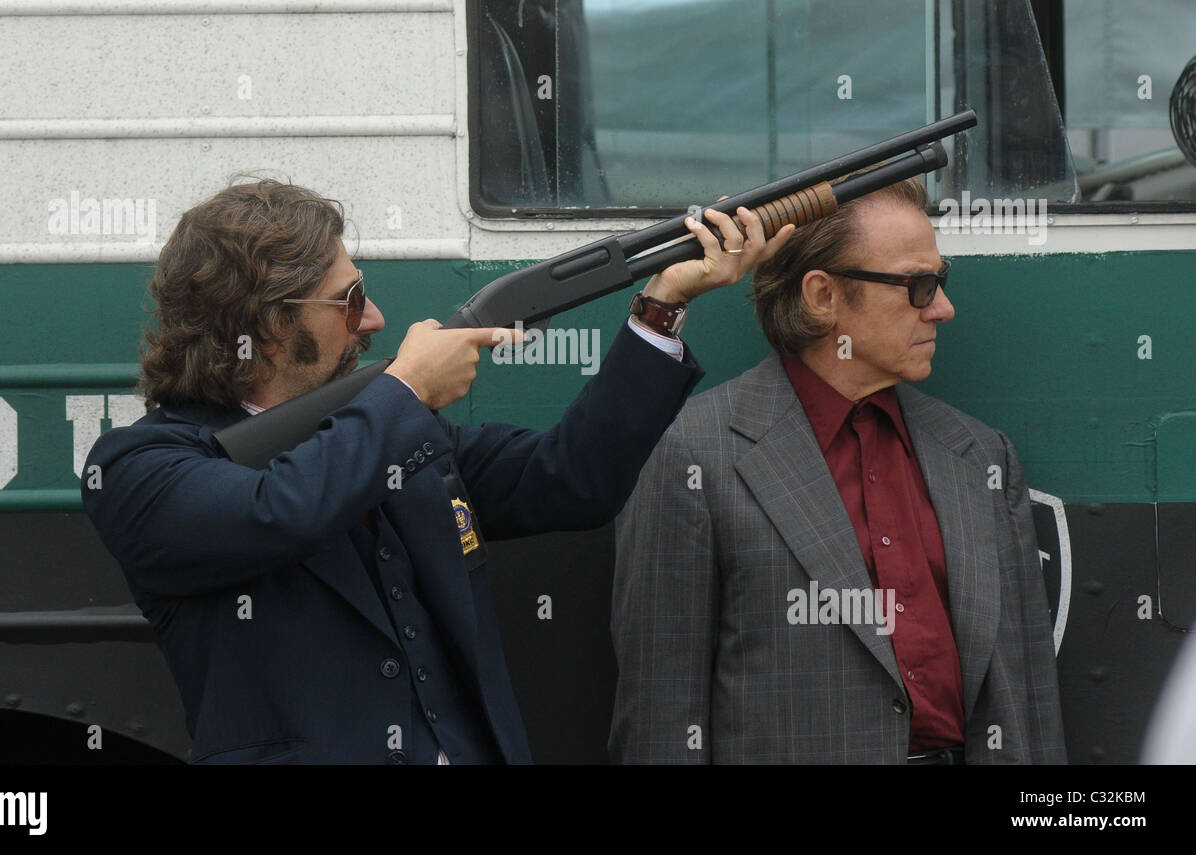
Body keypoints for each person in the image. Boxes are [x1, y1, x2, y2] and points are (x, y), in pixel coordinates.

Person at [81, 178, 791, 764]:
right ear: (268, 325)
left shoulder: (392, 430)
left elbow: (571, 479)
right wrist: (407, 390)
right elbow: (279, 509)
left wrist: (662, 306)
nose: (375, 319)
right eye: (350, 299)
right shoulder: (142, 467)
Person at [610, 175, 1066, 764]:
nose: (944, 309)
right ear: (823, 296)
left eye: (940, 281)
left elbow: (1026, 699)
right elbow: (660, 719)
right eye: (919, 286)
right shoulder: (692, 455)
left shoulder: (981, 456)